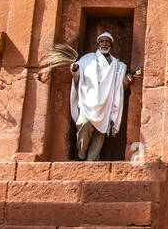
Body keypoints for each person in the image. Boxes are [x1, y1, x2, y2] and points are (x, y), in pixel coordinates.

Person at [38, 32, 134, 161]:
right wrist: (75, 70)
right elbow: (78, 78)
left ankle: (91, 162)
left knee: (101, 134)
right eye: (102, 41)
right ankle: (81, 153)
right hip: (89, 101)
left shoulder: (118, 66)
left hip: (106, 102)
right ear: (98, 44)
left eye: (107, 42)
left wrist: (127, 80)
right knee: (84, 123)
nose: (104, 44)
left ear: (111, 44)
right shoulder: (86, 59)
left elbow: (121, 86)